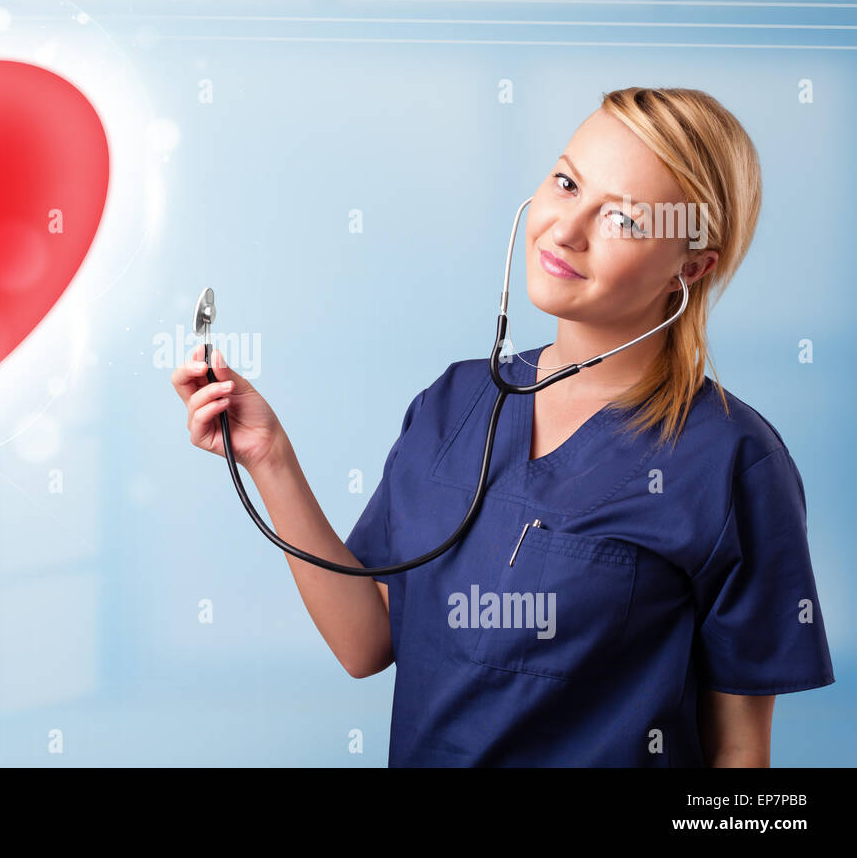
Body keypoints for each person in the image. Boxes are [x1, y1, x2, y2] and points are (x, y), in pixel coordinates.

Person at [170, 87, 834, 767]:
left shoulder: (731, 460)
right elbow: (365, 642)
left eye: (624, 219)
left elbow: (742, 754)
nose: (566, 229)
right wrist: (268, 456)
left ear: (690, 269)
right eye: (567, 182)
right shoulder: (453, 402)